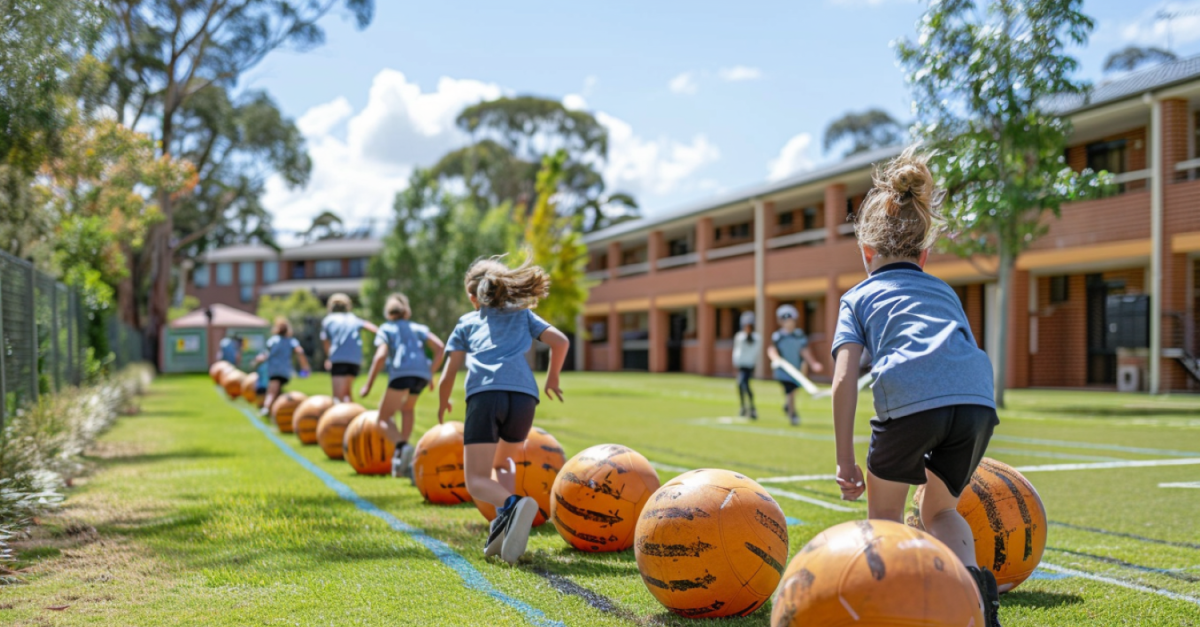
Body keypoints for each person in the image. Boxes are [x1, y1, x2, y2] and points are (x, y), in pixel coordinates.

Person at [829, 147, 1001, 627]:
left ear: (867, 253)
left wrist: (845, 459)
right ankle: (973, 593)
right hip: (976, 401)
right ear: (924, 256)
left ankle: (889, 610)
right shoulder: (943, 289)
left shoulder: (858, 295)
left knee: (884, 518)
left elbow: (845, 378)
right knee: (941, 510)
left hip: (910, 398)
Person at [438, 255, 569, 565]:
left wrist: (444, 401)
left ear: (473, 297)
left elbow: (448, 373)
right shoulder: (523, 315)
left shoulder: (468, 321)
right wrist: (552, 378)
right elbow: (560, 341)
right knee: (505, 461)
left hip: (486, 396)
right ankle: (505, 523)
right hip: (525, 398)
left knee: (476, 480)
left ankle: (511, 504)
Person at [360, 293, 445, 479]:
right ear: (406, 312)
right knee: (407, 409)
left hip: (401, 374)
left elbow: (380, 356)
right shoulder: (417, 328)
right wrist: (430, 374)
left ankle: (402, 446)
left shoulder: (386, 328)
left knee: (382, 418)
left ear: (388, 312)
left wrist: (368, 384)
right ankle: (405, 461)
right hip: (421, 375)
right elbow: (440, 347)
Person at [766, 304, 823, 425]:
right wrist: (775, 358)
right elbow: (772, 350)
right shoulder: (778, 336)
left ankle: (788, 405)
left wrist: (813, 364)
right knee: (790, 392)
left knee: (793, 392)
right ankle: (793, 415)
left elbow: (805, 351)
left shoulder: (799, 335)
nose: (789, 323)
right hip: (784, 371)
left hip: (796, 370)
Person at [321, 293, 379, 403]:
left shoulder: (328, 320)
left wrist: (329, 357)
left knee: (338, 398)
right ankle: (353, 419)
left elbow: (325, 341)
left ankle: (341, 420)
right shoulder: (354, 319)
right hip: (354, 359)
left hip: (338, 358)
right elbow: (375, 330)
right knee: (347, 394)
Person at [253, 317, 312, 416]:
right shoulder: (291, 341)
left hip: (273, 370)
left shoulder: (273, 340)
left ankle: (266, 409)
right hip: (284, 371)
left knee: (272, 391)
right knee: (276, 390)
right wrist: (305, 366)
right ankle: (277, 412)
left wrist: (257, 361)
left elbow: (265, 354)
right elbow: (300, 351)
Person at [731, 311, 759, 419]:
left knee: (744, 385)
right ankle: (744, 407)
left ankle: (751, 408)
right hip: (741, 365)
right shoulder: (739, 337)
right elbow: (737, 351)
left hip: (749, 365)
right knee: (741, 386)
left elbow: (754, 352)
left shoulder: (756, 338)